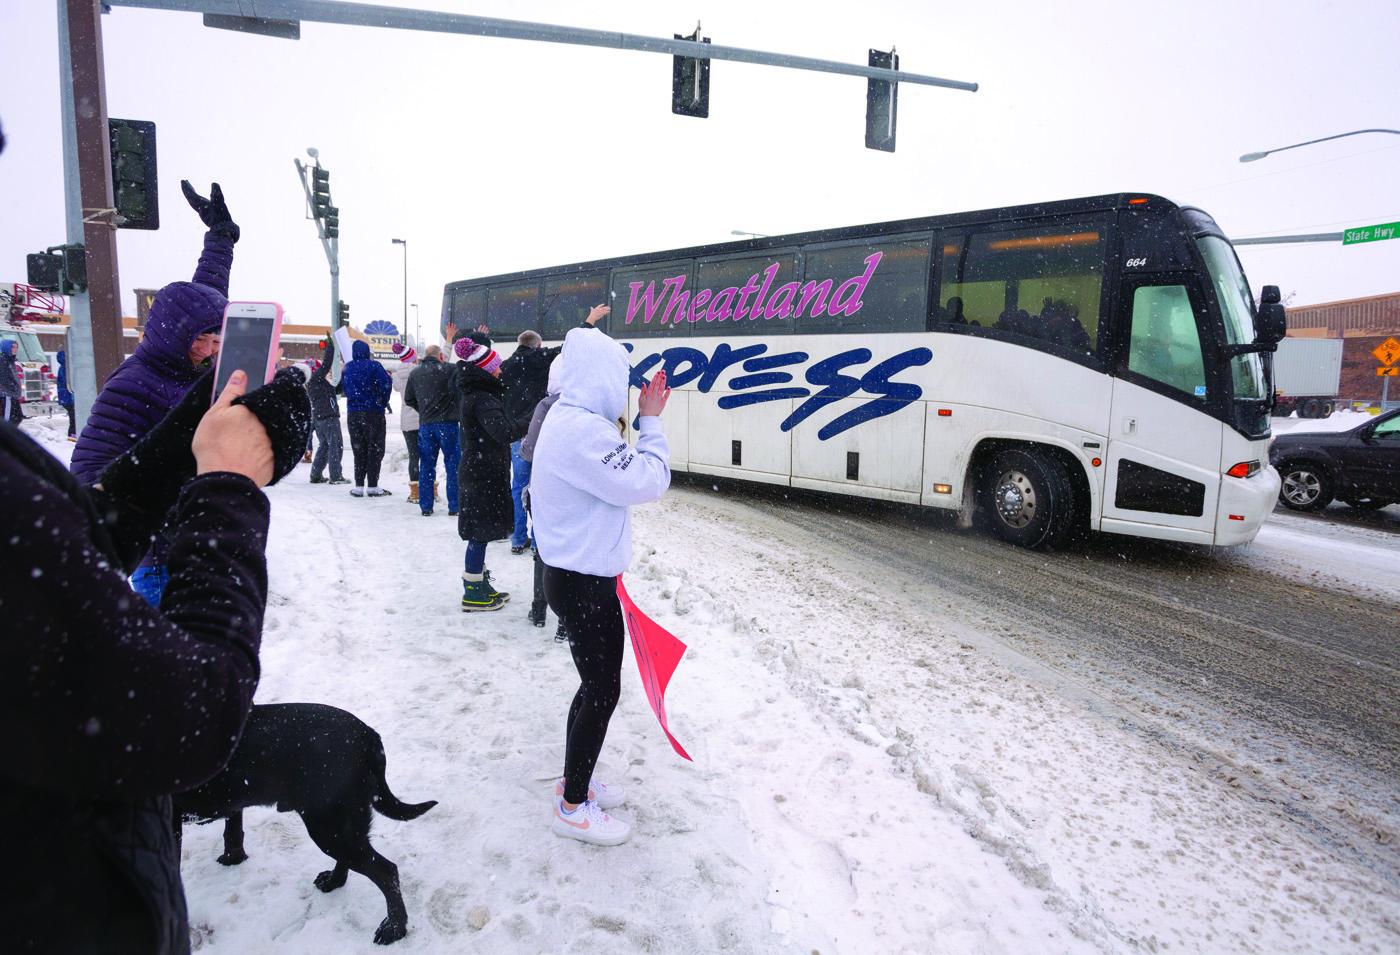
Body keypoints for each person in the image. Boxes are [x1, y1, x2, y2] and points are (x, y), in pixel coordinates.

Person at [0, 367, 308, 955]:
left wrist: (173, 453)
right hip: (65, 911)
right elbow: (192, 713)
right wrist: (228, 487)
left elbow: (54, 560)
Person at [531, 324, 671, 846]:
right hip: (584, 582)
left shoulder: (568, 421)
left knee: (593, 686)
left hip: (572, 575)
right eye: (621, 376)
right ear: (601, 375)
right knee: (602, 690)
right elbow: (648, 481)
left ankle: (577, 782)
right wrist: (651, 424)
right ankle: (572, 806)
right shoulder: (583, 431)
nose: (625, 387)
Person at [70, 181, 240, 607]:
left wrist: (220, 236)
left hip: (200, 543)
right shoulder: (132, 384)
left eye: (217, 339)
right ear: (175, 333)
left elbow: (206, 294)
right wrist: (158, 507)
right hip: (161, 560)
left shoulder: (187, 360)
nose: (212, 348)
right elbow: (87, 475)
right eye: (203, 339)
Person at [454, 335, 532, 610]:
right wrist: (531, 420)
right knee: (478, 533)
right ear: (487, 369)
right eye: (497, 367)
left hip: (480, 469)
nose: (500, 371)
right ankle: (473, 592)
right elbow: (503, 432)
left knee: (481, 531)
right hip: (481, 473)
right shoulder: (484, 398)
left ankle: (479, 582)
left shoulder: (475, 394)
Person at [499, 329, 562, 554]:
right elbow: (565, 348)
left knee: (518, 488)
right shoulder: (540, 358)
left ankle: (517, 539)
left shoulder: (505, 366)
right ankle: (537, 542)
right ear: (537, 345)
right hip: (539, 433)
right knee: (539, 489)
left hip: (516, 434)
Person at [403, 344, 460, 518]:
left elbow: (409, 399)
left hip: (426, 425)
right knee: (453, 465)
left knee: (426, 465)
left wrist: (425, 410)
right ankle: (455, 506)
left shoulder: (415, 373)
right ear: (440, 356)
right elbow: (460, 390)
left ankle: (426, 506)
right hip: (448, 423)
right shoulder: (450, 369)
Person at [340, 339, 393, 497]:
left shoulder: (348, 367)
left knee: (359, 449)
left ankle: (358, 486)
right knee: (375, 448)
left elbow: (344, 388)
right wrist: (382, 401)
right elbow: (386, 384)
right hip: (373, 412)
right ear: (367, 351)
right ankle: (372, 485)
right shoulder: (374, 366)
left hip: (354, 413)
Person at [306, 338, 348, 485]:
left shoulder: (314, 383)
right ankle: (335, 476)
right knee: (335, 445)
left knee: (324, 445)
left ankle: (316, 474)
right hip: (328, 417)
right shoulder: (315, 378)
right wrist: (330, 348)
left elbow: (332, 392)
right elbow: (326, 364)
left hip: (320, 418)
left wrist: (343, 382)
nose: (322, 371)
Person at [389, 342, 421, 502]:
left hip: (406, 421)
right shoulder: (418, 372)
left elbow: (396, 388)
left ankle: (415, 492)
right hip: (422, 418)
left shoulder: (396, 375)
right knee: (428, 456)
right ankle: (430, 490)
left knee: (414, 456)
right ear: (413, 358)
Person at [55, 348, 76, 439]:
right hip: (68, 398)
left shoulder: (65, 368)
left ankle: (73, 435)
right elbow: (68, 381)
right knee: (74, 418)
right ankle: (72, 436)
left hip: (66, 398)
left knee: (73, 418)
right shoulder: (64, 368)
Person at [0, 339, 21, 425]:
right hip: (6, 394)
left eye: (16, 347)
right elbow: (3, 378)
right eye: (13, 347)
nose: (15, 349)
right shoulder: (3, 360)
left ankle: (10, 435)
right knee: (7, 419)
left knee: (17, 417)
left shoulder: (10, 360)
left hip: (12, 395)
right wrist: (12, 387)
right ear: (6, 348)